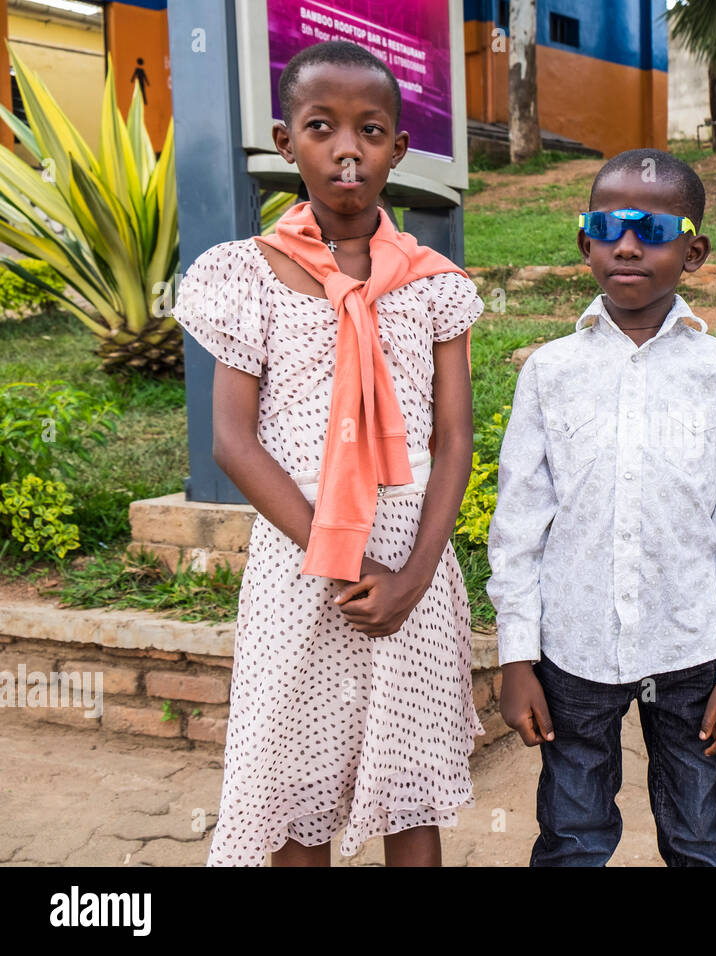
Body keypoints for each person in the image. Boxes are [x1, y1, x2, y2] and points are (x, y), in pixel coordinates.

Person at [171, 40, 485, 867]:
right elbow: (233, 442)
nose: (348, 148)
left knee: (409, 787)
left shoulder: (431, 282)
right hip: (302, 559)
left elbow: (455, 437)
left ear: (398, 150)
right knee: (294, 787)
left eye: (371, 130)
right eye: (322, 127)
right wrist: (338, 559)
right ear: (286, 143)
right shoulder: (247, 275)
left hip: (414, 558)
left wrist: (413, 575)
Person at [486, 149, 716, 866]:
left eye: (652, 228)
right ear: (585, 241)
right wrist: (518, 654)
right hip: (575, 651)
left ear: (694, 250)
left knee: (702, 834)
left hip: (689, 651)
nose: (627, 244)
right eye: (608, 225)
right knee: (573, 834)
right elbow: (519, 522)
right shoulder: (551, 372)